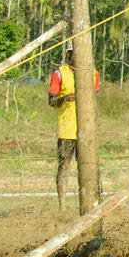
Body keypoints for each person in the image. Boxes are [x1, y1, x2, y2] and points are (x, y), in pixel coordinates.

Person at [46, 42, 101, 211]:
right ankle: (62, 206)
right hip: (67, 128)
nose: (76, 56)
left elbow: (94, 97)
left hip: (87, 129)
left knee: (90, 165)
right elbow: (51, 101)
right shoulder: (59, 73)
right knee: (64, 165)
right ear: (68, 54)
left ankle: (93, 203)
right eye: (72, 53)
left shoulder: (93, 73)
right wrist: (65, 98)